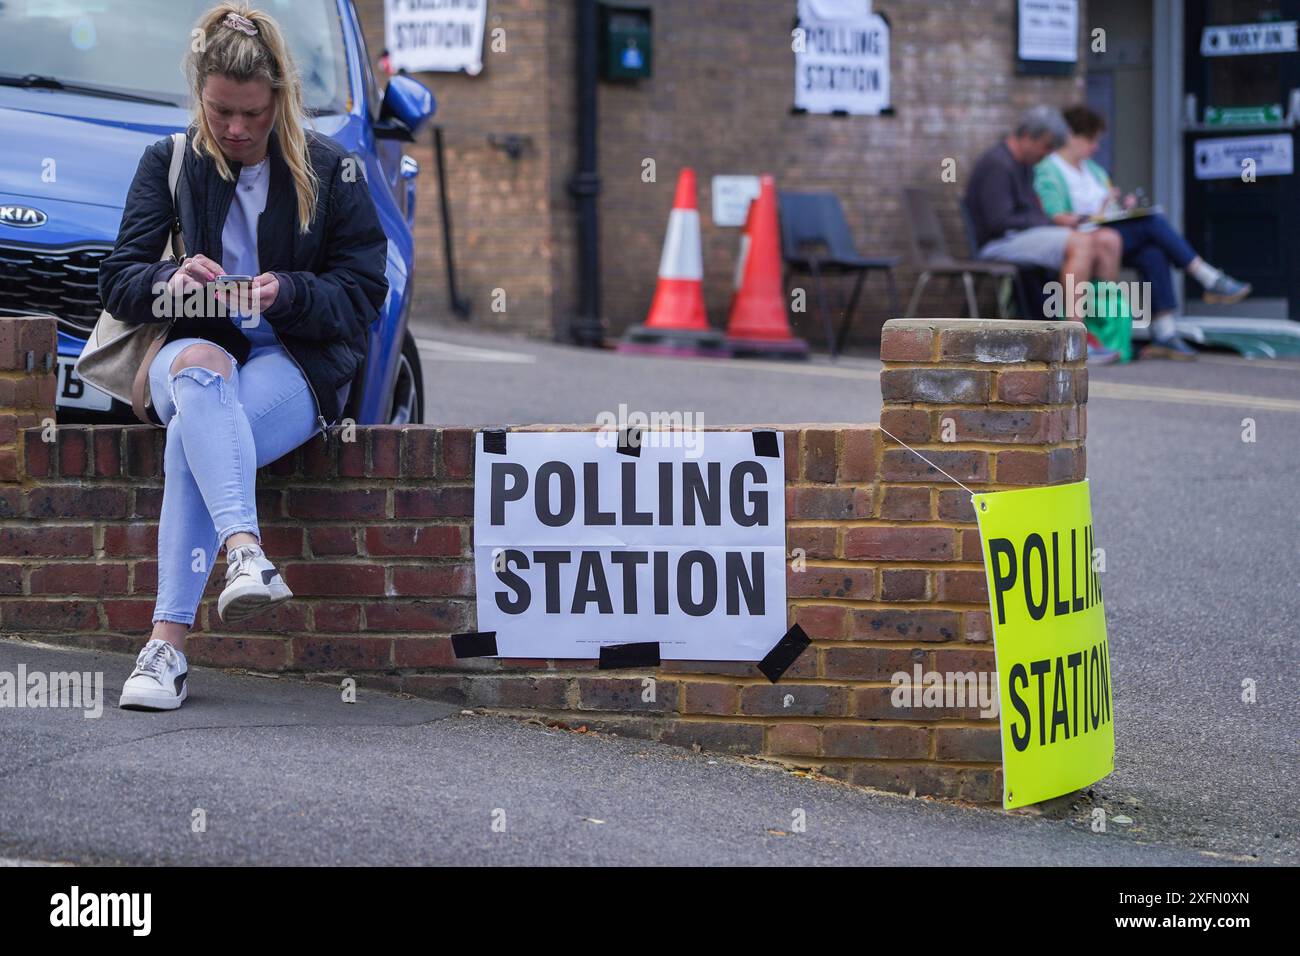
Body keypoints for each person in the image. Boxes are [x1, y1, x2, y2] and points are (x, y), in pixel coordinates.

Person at [98, 3, 389, 710]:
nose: (235, 129)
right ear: (199, 94)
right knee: (202, 371)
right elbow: (119, 279)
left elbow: (363, 294)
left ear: (280, 99)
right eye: (221, 110)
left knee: (193, 443)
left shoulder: (332, 171)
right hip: (191, 350)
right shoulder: (168, 162)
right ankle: (246, 553)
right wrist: (171, 281)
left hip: (296, 361)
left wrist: (285, 291)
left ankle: (165, 651)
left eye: (252, 114)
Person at [1035, 103, 1252, 360]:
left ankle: (1165, 331)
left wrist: (1119, 206)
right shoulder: (1049, 169)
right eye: (1090, 140)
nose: (1095, 147)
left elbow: (1106, 203)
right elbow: (1053, 214)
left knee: (1152, 251)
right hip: (1083, 237)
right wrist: (1095, 214)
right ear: (1071, 136)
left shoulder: (1093, 169)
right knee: (1153, 224)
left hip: (1107, 235)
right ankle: (1205, 278)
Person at [965, 105, 1123, 363]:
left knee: (1103, 241)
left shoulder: (1024, 164)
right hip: (998, 243)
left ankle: (1103, 333)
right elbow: (998, 221)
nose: (1047, 154)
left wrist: (1051, 222)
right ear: (1027, 136)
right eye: (1046, 146)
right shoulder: (997, 164)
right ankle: (1074, 337)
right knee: (1081, 243)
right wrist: (1046, 222)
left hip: (1019, 236)